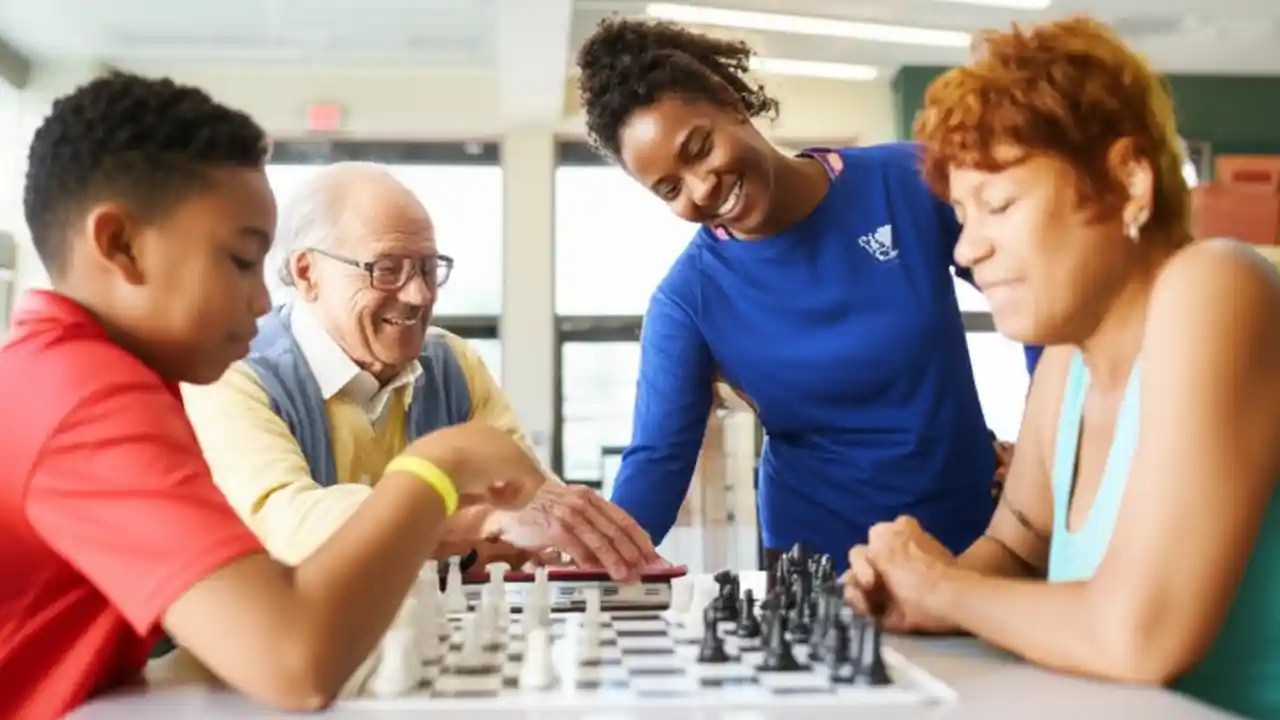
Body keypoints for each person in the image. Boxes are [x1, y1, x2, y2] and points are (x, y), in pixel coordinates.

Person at [0, 72, 545, 719]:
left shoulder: (64, 376)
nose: (263, 301)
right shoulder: (84, 402)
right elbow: (295, 663)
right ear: (121, 245)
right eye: (239, 260)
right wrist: (440, 467)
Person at [841, 17, 1280, 719]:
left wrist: (942, 589)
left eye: (999, 205)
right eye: (962, 214)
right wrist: (910, 592)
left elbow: (1141, 637)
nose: (966, 250)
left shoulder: (1217, 284)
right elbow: (1016, 550)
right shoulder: (1066, 362)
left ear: (1128, 180)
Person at [573, 18, 1037, 569]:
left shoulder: (907, 180)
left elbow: (1042, 300)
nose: (701, 187)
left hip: (973, 531)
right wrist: (585, 557)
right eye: (670, 189)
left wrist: (1044, 453)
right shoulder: (687, 302)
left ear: (728, 102)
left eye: (698, 148)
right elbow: (657, 461)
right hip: (816, 561)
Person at [181, 162, 659, 582]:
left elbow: (531, 510)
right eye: (387, 270)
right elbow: (290, 530)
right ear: (307, 273)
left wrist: (494, 532)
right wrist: (478, 525)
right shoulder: (233, 372)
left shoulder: (453, 364)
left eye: (428, 269)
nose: (419, 295)